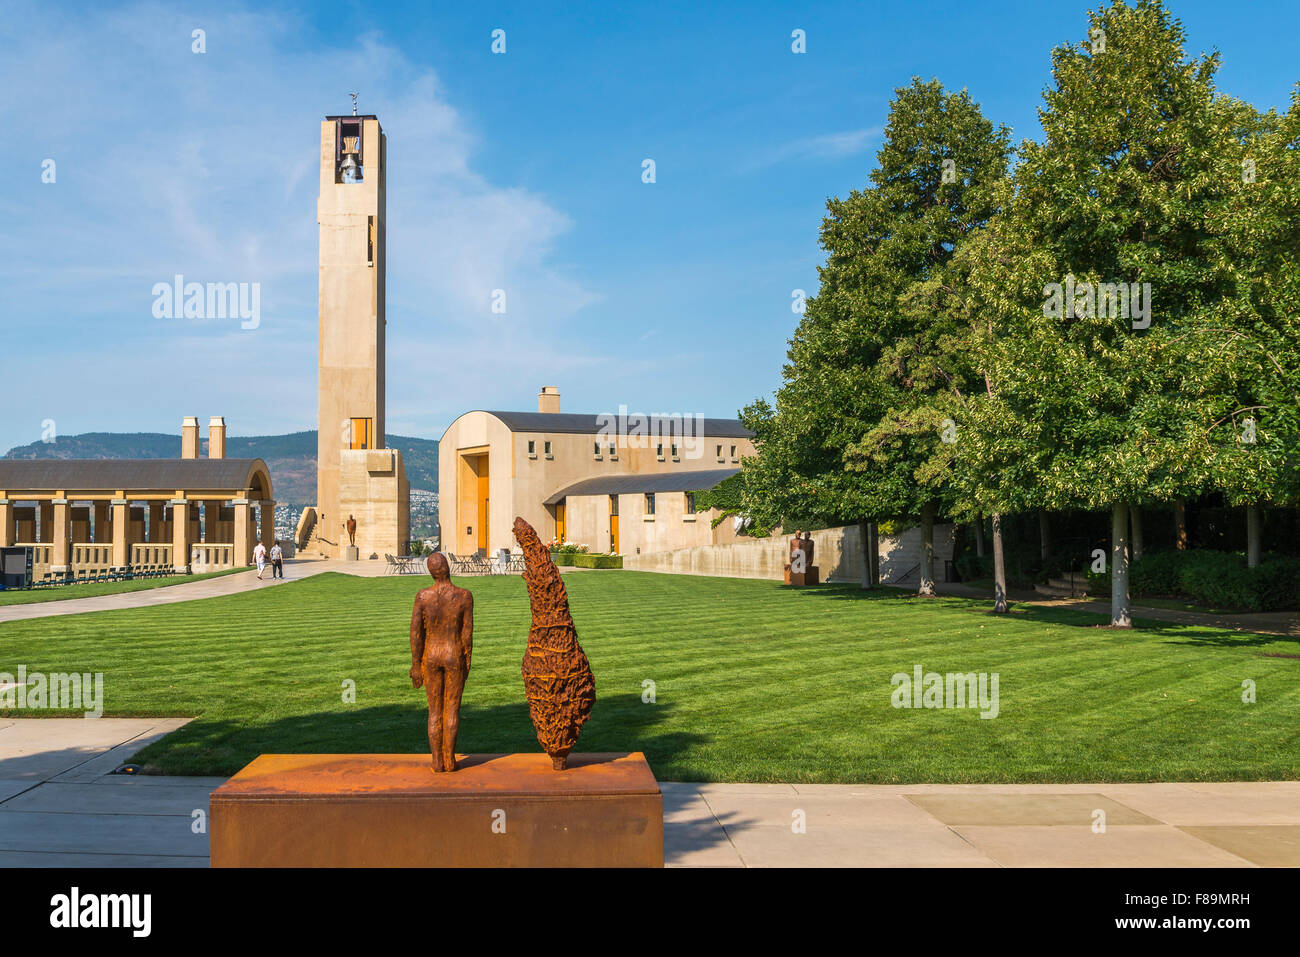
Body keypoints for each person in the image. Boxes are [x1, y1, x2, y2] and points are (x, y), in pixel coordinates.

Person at [410, 553, 474, 772]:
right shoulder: (464, 596)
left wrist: (415, 664)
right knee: (452, 709)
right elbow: (467, 635)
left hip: (431, 655)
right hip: (453, 653)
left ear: (431, 571)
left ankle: (437, 761)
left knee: (435, 710)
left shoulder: (423, 597)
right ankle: (450, 759)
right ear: (448, 568)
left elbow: (416, 634)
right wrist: (467, 661)